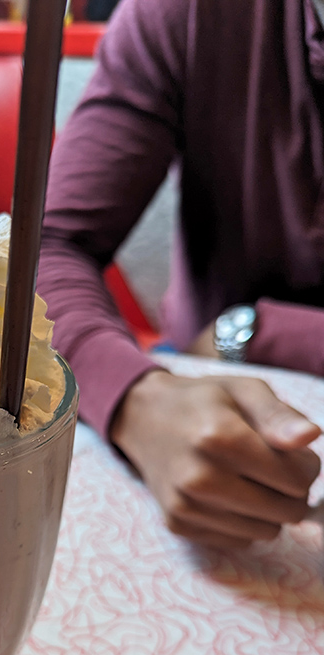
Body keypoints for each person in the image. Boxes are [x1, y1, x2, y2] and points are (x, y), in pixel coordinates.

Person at [37, 0, 324, 549]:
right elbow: (48, 248)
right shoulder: (183, 13)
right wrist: (137, 401)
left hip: (217, 352)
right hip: (197, 396)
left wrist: (261, 333)